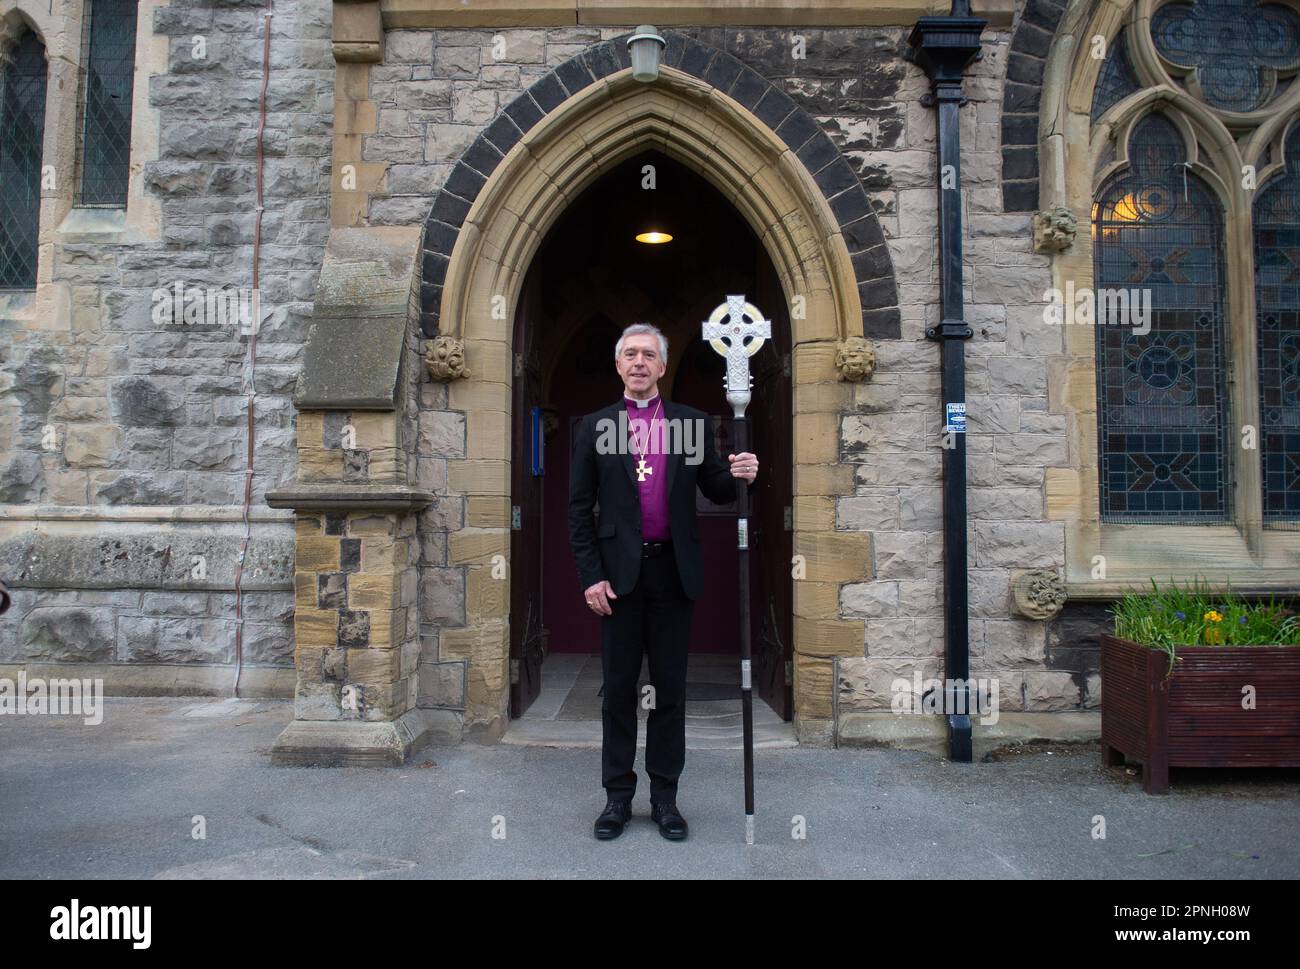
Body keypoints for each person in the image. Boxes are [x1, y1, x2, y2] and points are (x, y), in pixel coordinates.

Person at [568, 323, 759, 841]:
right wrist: (591, 577)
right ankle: (617, 798)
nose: (638, 362)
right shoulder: (596, 427)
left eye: (648, 355)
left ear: (661, 366)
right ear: (618, 365)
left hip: (673, 574)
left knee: (670, 691)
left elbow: (717, 488)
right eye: (629, 354)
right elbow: (579, 509)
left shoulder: (689, 424)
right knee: (619, 693)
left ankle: (666, 799)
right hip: (618, 578)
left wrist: (740, 471)